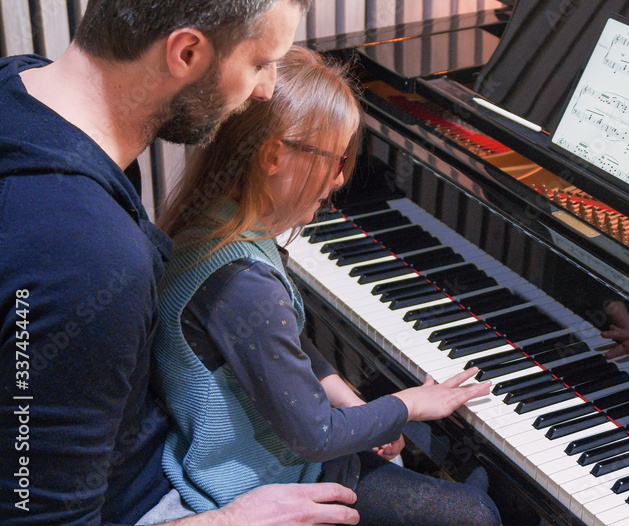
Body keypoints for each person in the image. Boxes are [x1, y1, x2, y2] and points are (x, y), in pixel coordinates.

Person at [0, 1, 367, 524]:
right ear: (187, 53)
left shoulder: (20, 83)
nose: (267, 90)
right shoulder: (89, 258)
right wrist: (234, 519)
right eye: (260, 63)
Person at [150, 46, 501, 526]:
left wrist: (354, 401)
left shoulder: (215, 223)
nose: (338, 181)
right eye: (336, 161)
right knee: (476, 512)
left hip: (248, 449)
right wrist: (408, 405)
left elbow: (286, 347)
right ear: (274, 157)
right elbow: (316, 436)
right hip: (258, 478)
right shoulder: (245, 283)